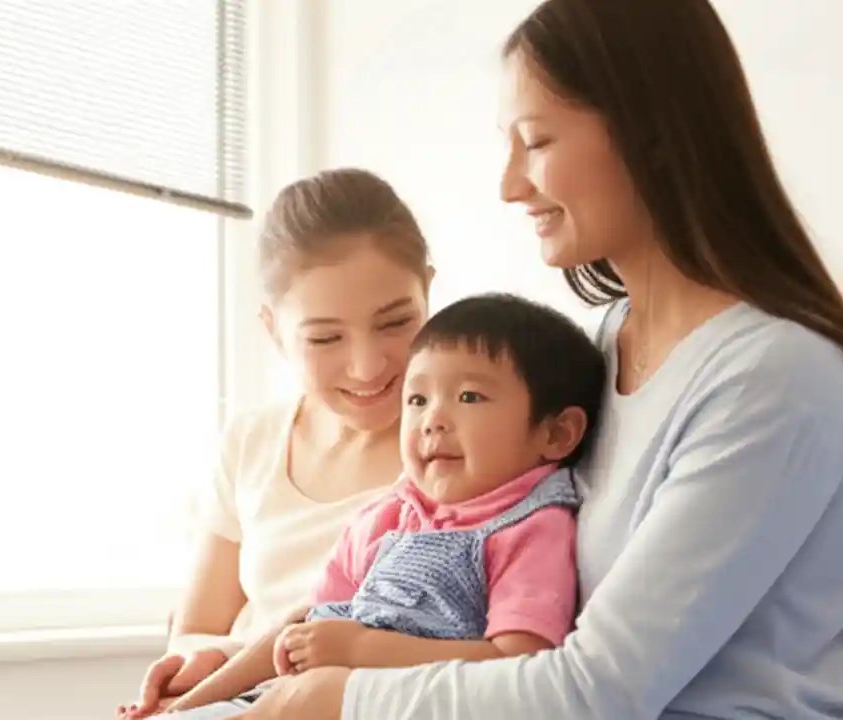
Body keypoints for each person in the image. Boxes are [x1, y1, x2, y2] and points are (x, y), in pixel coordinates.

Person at [231, 1, 843, 718]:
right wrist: (234, 665)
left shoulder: (772, 379)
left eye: (536, 141)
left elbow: (595, 691)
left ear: (652, 134)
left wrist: (347, 697)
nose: (510, 185)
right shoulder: (593, 349)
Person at [132, 294, 605, 720]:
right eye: (417, 399)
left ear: (556, 433)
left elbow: (520, 664)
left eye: (469, 396)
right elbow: (304, 628)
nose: (432, 420)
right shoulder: (390, 517)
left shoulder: (532, 528)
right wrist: (182, 707)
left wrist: (362, 647)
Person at [117, 169, 436, 718]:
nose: (366, 365)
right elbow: (197, 627)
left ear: (428, 291)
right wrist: (203, 662)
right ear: (274, 331)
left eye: (395, 322)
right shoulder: (252, 442)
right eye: (325, 338)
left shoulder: (461, 452)